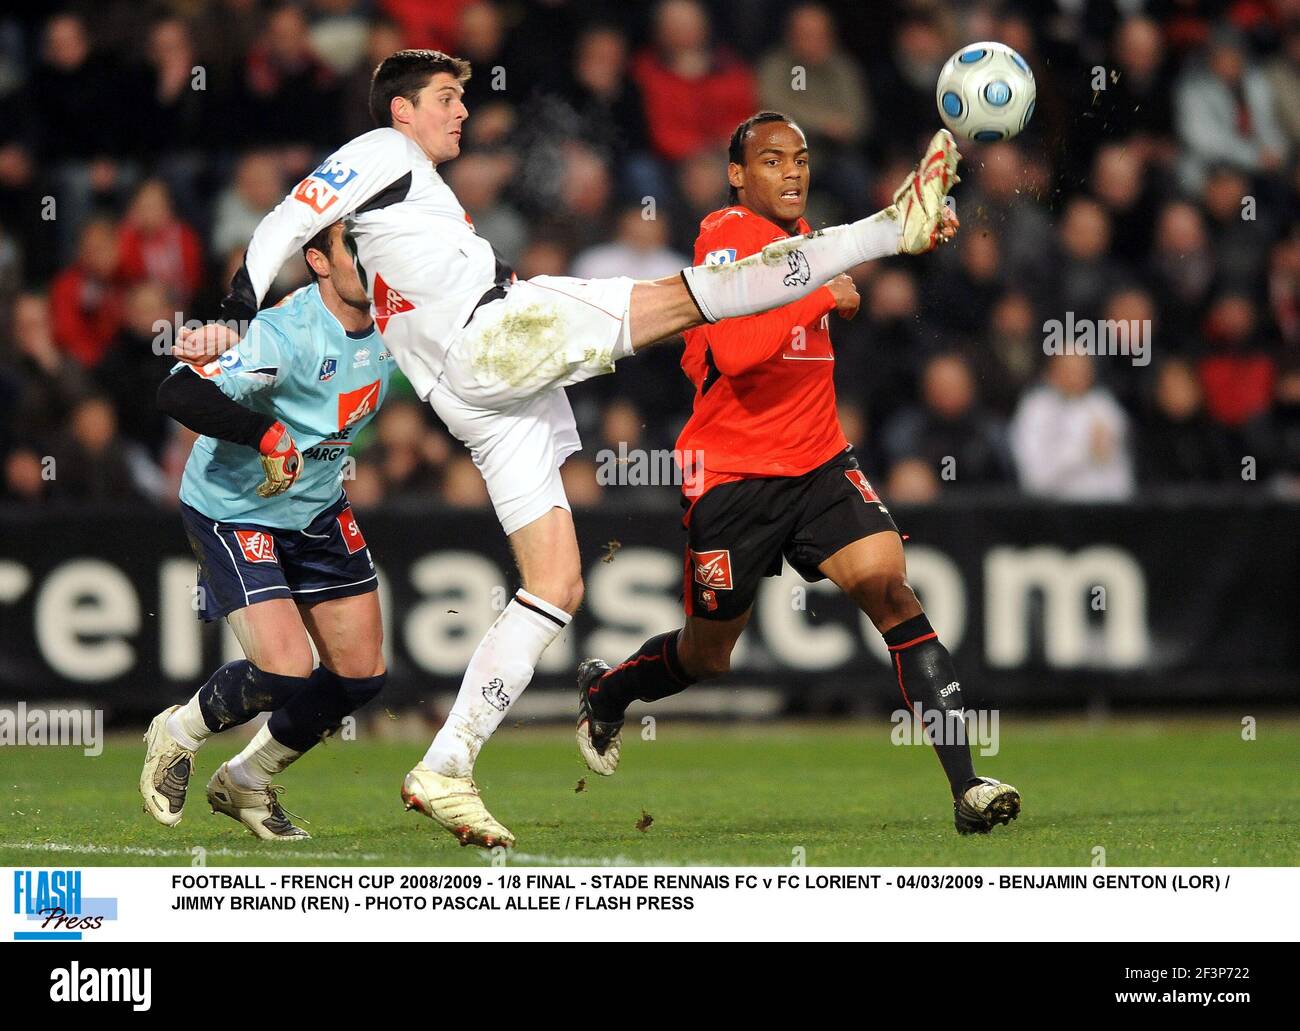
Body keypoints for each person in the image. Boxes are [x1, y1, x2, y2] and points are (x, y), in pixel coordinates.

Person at [173, 49, 960, 848]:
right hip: (492, 335)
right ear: (401, 110)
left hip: (477, 388)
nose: (460, 112)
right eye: (445, 98)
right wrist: (239, 310)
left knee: (556, 583)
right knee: (698, 296)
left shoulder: (413, 198)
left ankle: (443, 763)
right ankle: (889, 227)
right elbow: (286, 219)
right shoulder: (385, 151)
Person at [575, 112, 1020, 836]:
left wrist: (914, 241)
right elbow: (743, 349)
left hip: (819, 464)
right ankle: (609, 691)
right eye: (772, 160)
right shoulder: (725, 234)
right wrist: (825, 293)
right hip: (732, 479)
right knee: (708, 654)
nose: (791, 172)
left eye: (801, 159)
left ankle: (967, 788)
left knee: (892, 589)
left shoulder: (803, 243)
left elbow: (830, 267)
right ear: (737, 175)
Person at [140, 222, 389, 840]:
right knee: (283, 671)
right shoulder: (286, 333)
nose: (373, 260)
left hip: (316, 507)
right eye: (353, 249)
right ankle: (176, 733)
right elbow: (178, 394)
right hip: (235, 507)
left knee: (361, 674)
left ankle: (247, 780)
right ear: (318, 262)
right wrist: (266, 433)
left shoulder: (399, 319)